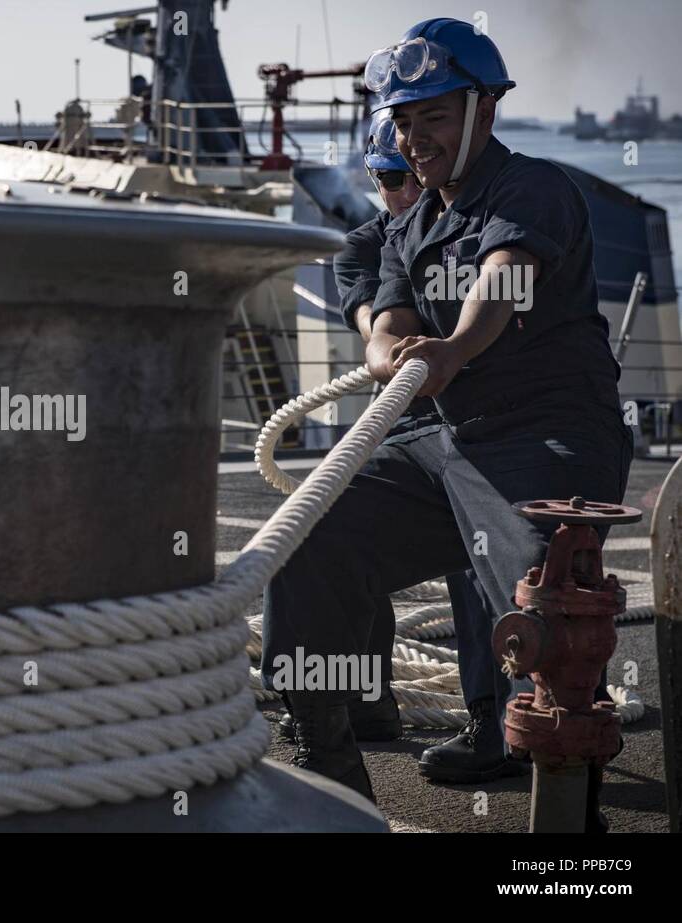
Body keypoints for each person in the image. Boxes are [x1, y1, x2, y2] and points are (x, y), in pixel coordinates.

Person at [261, 18, 632, 810]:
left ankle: (570, 822)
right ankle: (329, 783)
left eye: (430, 115)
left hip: (549, 437)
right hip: (448, 440)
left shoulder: (533, 187)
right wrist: (391, 349)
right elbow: (386, 315)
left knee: (545, 610)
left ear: (483, 109)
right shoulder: (412, 222)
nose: (412, 137)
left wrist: (456, 347)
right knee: (306, 540)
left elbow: (505, 277)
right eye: (401, 119)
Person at [313, 108, 525, 782]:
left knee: (481, 547)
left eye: (411, 176)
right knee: (334, 523)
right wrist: (392, 340)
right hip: (407, 419)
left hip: (484, 425)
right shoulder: (366, 245)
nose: (403, 189)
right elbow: (372, 317)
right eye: (388, 176)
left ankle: (495, 717)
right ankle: (360, 702)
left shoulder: (472, 226)